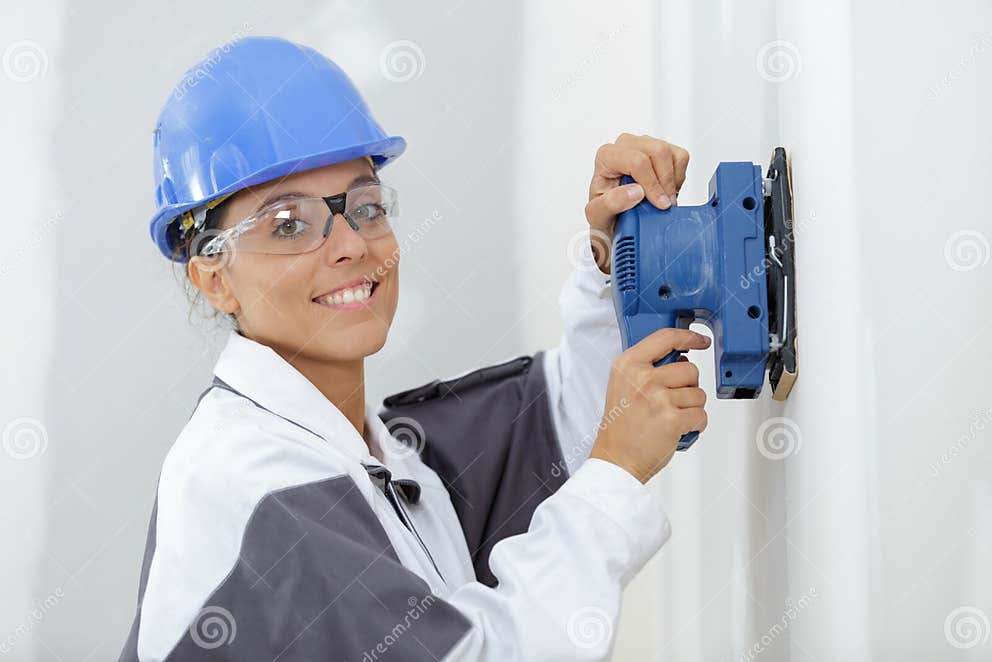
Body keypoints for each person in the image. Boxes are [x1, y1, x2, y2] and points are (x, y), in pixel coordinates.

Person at [118, 35, 708, 662]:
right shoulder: (256, 485)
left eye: (365, 206)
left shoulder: (386, 460)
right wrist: (617, 474)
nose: (350, 245)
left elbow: (566, 424)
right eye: (288, 224)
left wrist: (615, 260)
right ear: (214, 278)